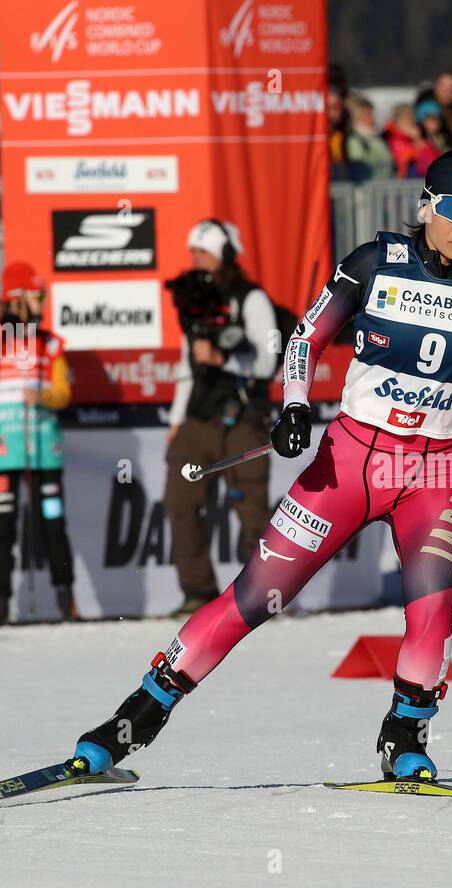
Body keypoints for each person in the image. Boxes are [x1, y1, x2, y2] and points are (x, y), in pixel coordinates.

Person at [66, 151, 452, 784]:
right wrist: (293, 405)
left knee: (432, 609)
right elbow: (305, 339)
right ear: (427, 206)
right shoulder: (375, 262)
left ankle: (405, 738)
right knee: (256, 597)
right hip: (351, 460)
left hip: (435, 472)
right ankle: (128, 724)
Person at [163, 219, 279, 618]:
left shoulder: (251, 299)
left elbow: (267, 362)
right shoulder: (191, 298)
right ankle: (198, 592)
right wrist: (176, 420)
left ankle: (262, 592)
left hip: (243, 415)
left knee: (251, 508)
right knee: (181, 502)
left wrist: (225, 360)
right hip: (198, 416)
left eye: (203, 254)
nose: (195, 261)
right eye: (192, 254)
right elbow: (185, 365)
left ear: (224, 256)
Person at [0, 262, 77, 626]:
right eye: (36, 296)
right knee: (1, 526)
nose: (41, 303)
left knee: (52, 524)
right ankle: (0, 605)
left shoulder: (49, 343)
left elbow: (63, 393)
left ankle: (65, 600)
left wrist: (43, 395)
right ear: (18, 298)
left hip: (42, 449)